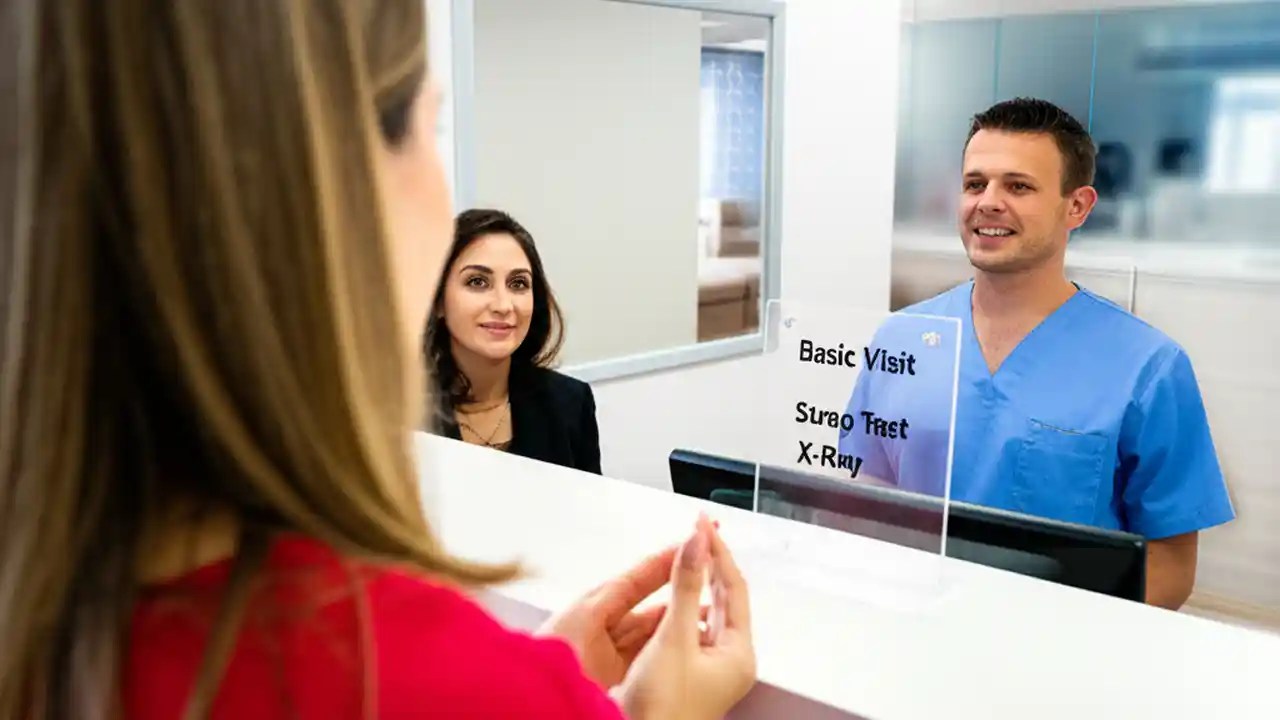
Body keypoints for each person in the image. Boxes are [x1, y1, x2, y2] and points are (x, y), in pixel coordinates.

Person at [0, 1, 756, 718]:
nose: (502, 303)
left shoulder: (52, 628)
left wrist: (535, 681)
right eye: (430, 124)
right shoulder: (395, 665)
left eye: (519, 284)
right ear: (337, 184)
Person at [840, 98, 1234, 610]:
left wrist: (1070, 651)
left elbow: (1171, 560)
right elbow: (864, 489)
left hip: (1057, 656)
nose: (988, 202)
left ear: (1078, 206)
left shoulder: (1148, 367)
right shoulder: (901, 337)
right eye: (975, 183)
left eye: (1018, 186)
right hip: (907, 625)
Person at [425, 208, 601, 473]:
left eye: (518, 284)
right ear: (438, 300)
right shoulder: (392, 414)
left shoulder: (571, 403)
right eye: (477, 281)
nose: (503, 305)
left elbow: (592, 510)